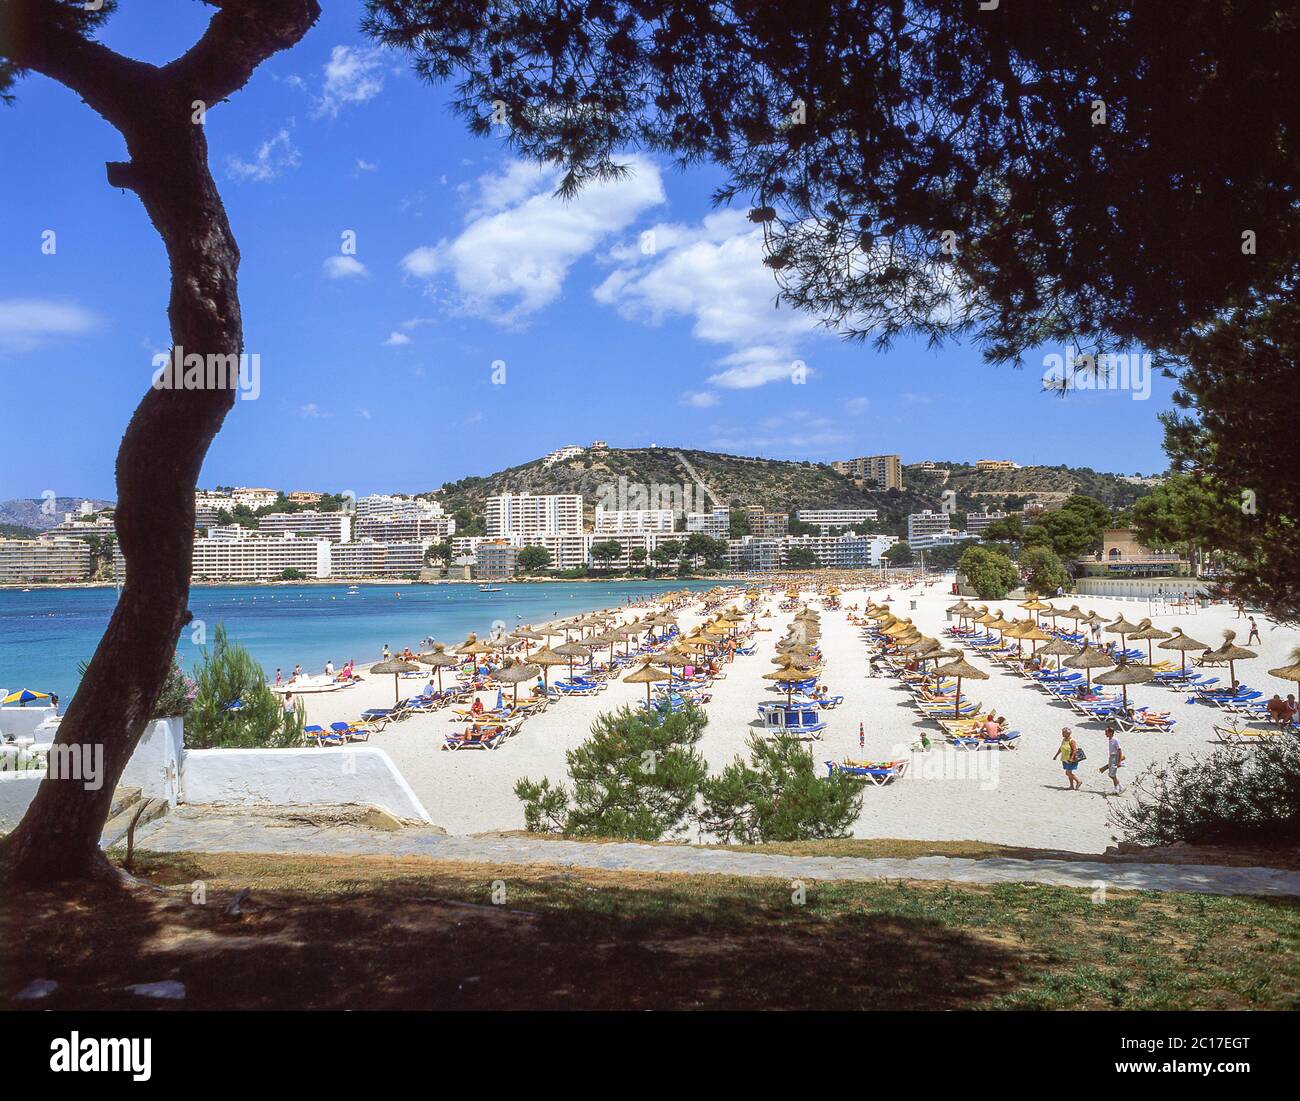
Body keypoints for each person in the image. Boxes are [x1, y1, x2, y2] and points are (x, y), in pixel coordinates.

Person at [1098, 726, 1125, 795]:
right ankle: (1116, 789)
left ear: (1111, 733)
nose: (1105, 734)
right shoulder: (1110, 740)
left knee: (1111, 774)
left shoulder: (1115, 740)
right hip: (1111, 757)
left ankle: (1121, 787)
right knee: (1112, 774)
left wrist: (1118, 762)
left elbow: (1119, 750)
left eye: (1106, 732)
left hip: (1115, 757)